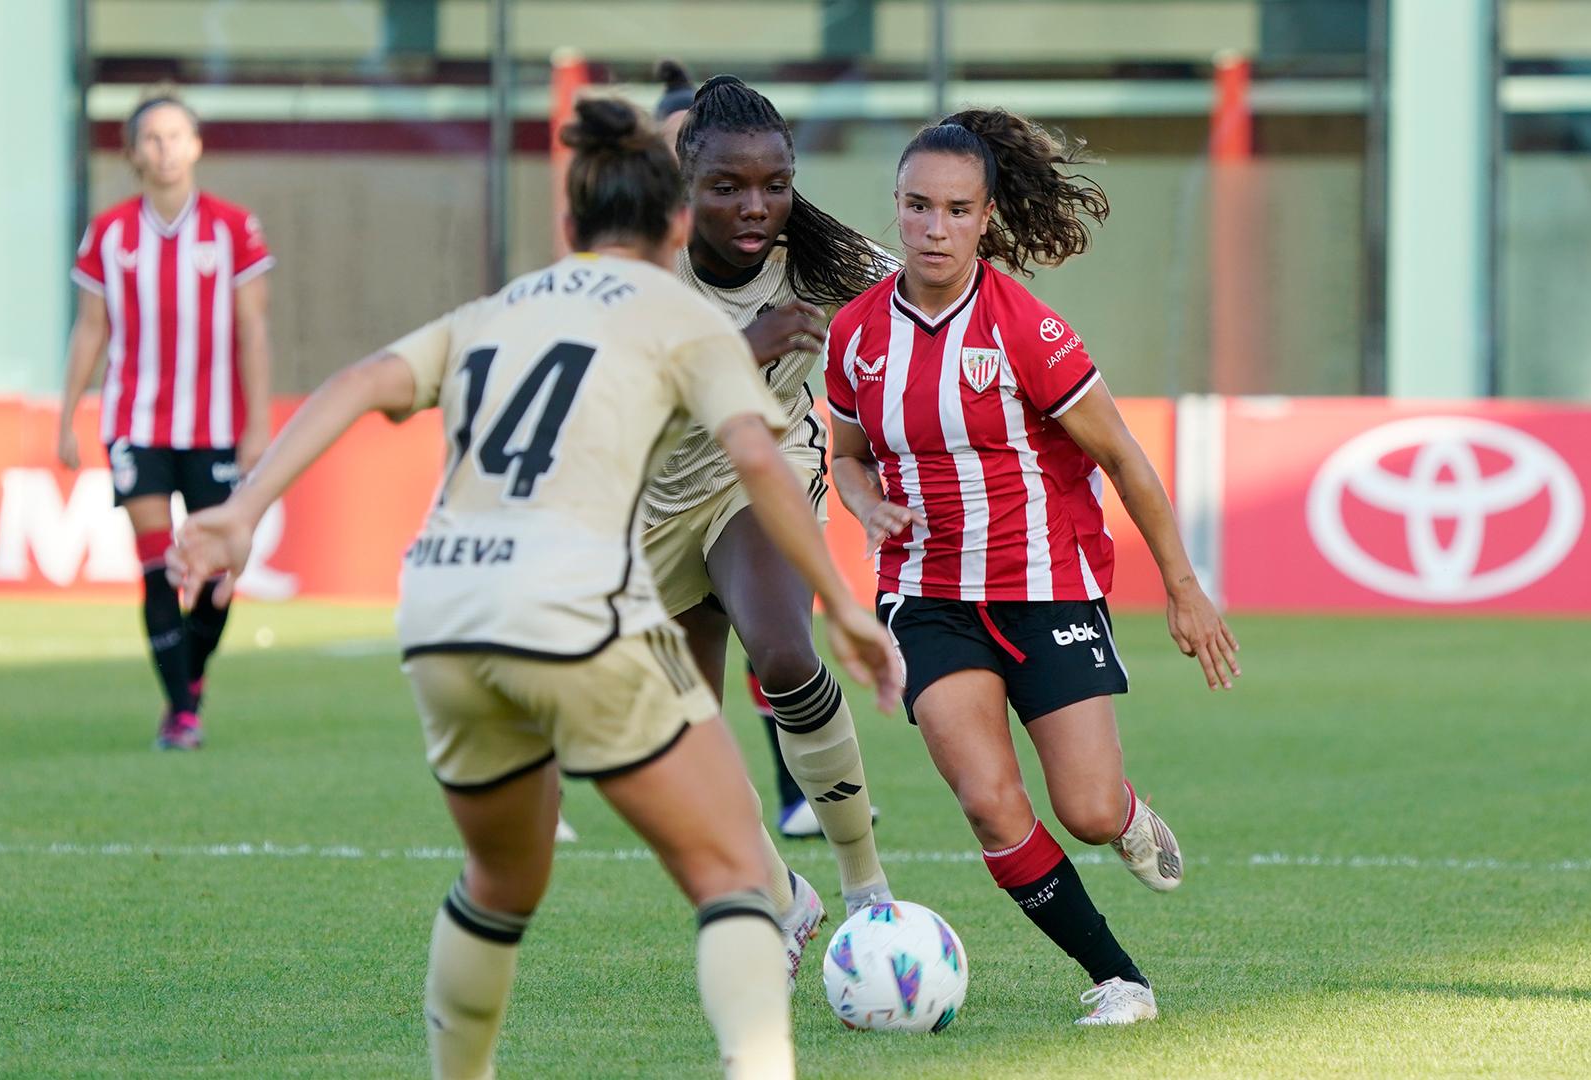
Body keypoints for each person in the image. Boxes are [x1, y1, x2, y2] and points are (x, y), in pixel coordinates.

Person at [174, 98, 901, 1080]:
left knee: (499, 884)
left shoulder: (504, 308)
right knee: (732, 871)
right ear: (676, 220)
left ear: (567, 225)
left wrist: (240, 510)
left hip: (441, 613)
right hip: (575, 602)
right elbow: (759, 457)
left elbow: (361, 379)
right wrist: (846, 605)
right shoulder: (677, 315)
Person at [824, 108, 1241, 1026]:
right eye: (918, 206)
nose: (935, 228)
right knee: (988, 802)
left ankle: (1122, 815)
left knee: (1083, 810)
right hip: (927, 597)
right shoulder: (855, 334)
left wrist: (1184, 590)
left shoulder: (1026, 329)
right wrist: (863, 502)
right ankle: (1119, 979)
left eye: (957, 210)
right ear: (897, 206)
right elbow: (846, 456)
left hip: (1046, 588)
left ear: (986, 217)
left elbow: (1123, 457)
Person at [643, 73, 900, 920]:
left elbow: (931, 297)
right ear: (686, 184)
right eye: (727, 187)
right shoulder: (639, 265)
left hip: (761, 471)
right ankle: (787, 897)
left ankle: (866, 889)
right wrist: (743, 348)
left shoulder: (819, 260)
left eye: (775, 185)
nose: (756, 206)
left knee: (785, 655)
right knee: (676, 747)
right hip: (648, 508)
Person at [58, 88, 273, 751]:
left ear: (197, 146)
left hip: (215, 427)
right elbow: (90, 329)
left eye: (176, 136)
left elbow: (253, 328)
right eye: (152, 138)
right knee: (158, 567)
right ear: (133, 154)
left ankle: (191, 681)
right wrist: (66, 416)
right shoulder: (110, 233)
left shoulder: (233, 228)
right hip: (137, 424)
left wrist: (258, 424)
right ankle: (182, 713)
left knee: (215, 570)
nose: (166, 149)